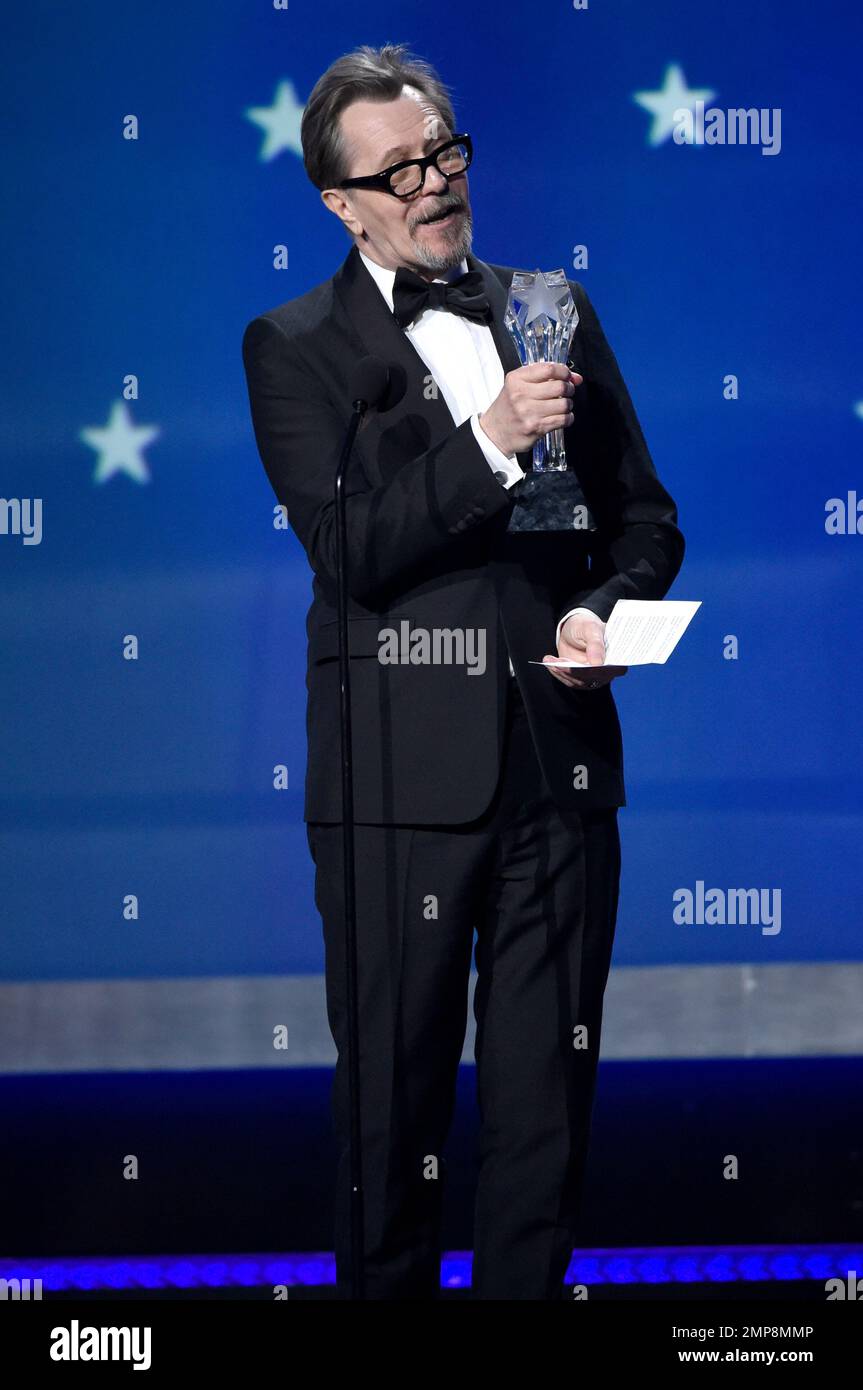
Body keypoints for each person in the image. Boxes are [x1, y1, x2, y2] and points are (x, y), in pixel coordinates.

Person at [242, 43, 685, 1300]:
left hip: (558, 772)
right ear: (342, 204)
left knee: (543, 1122)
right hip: (395, 797)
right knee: (392, 1126)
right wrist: (488, 441)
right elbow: (351, 549)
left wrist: (605, 613)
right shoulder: (294, 345)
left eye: (444, 153)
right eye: (400, 171)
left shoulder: (552, 309)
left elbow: (646, 521)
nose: (435, 184)